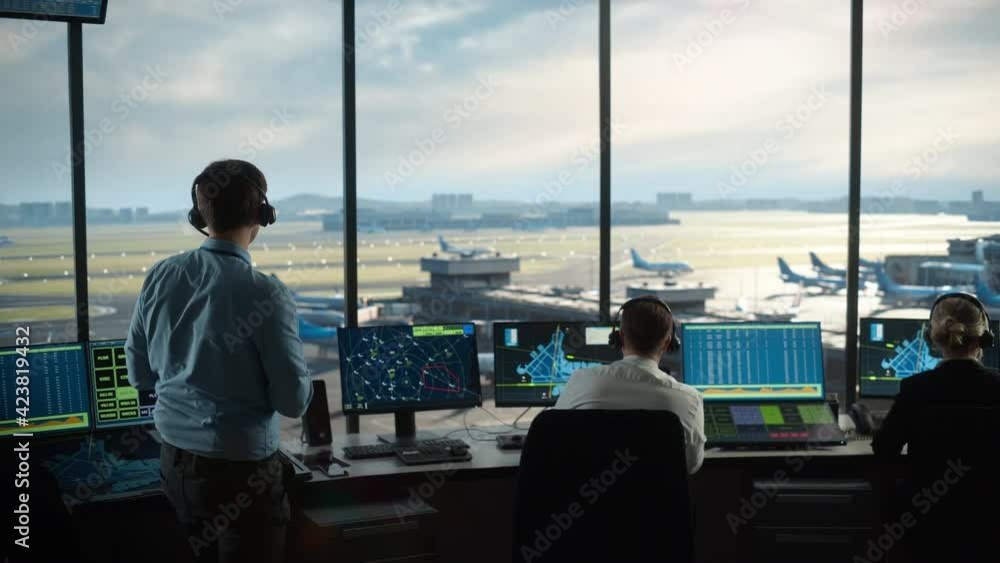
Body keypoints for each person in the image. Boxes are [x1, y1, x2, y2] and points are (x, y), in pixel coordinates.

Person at [125, 159, 313, 563]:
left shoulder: (160, 274)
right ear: (263, 214)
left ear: (199, 216)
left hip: (174, 465)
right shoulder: (265, 293)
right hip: (241, 475)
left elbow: (138, 373)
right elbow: (293, 402)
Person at [872, 293, 1000, 562]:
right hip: (989, 525)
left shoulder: (915, 389)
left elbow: (883, 449)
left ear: (934, 338)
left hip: (928, 527)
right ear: (985, 339)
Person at [554, 296, 706, 474]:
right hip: (654, 501)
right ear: (668, 343)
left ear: (619, 337)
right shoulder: (689, 400)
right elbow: (691, 464)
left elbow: (557, 442)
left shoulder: (580, 381)